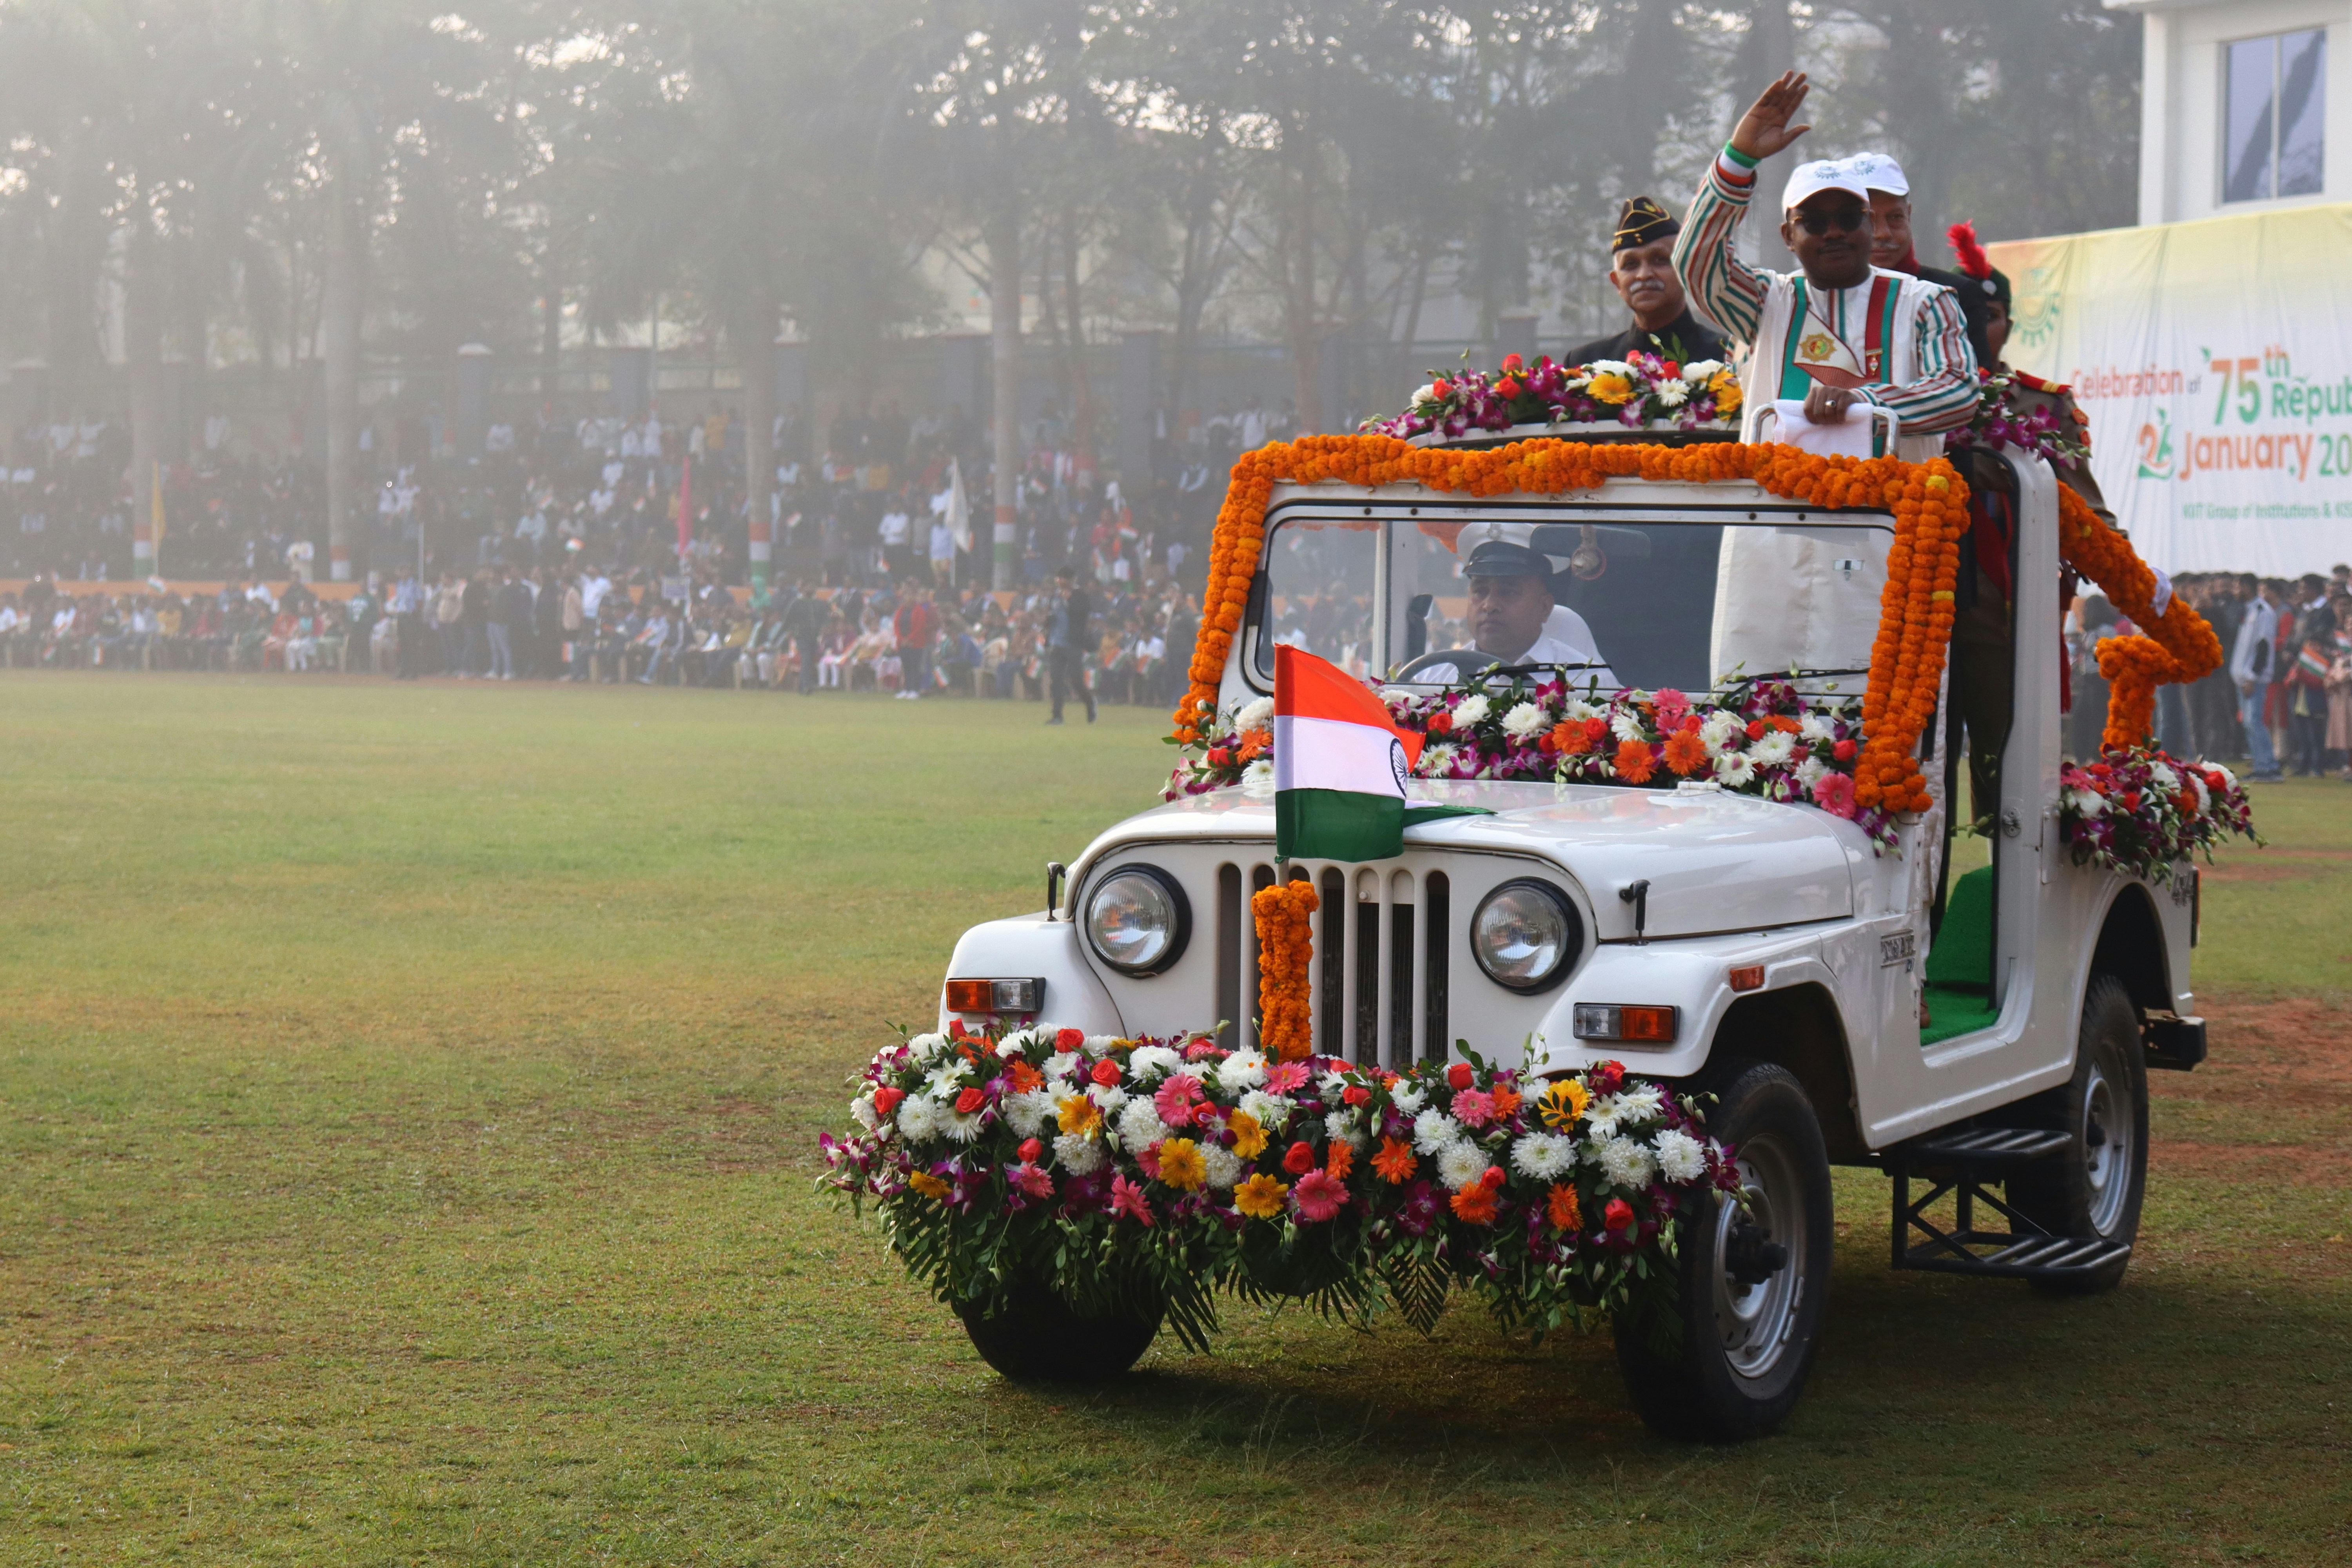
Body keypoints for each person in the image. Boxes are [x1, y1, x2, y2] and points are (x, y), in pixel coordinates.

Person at [1674, 71, 1978, 457]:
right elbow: (1694, 262)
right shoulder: (1764, 302)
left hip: (1896, 516)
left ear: (1869, 223)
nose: (1834, 232)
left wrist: (1865, 403)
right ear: (1788, 236)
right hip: (1774, 514)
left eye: (1849, 218)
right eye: (1814, 222)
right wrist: (1738, 159)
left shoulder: (1926, 302)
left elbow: (1959, 391)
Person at [1941, 220, 2116, 805]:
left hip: (2007, 606)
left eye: (1988, 318)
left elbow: (2087, 508)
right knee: (1915, 768)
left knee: (2007, 766)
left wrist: (2124, 570)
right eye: (1963, 317)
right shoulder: (1910, 395)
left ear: (2007, 325)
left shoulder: (2042, 404)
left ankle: (2004, 886)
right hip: (1919, 602)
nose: (1975, 329)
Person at [1411, 537, 1618, 686]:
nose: (1489, 605)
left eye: (1508, 592)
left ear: (1544, 607)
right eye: (1480, 591)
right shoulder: (1433, 678)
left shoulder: (1588, 682)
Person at [1852, 154, 1995, 370]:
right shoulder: (1821, 299)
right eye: (1867, 220)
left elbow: (1980, 387)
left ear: (1908, 215)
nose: (1882, 233)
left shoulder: (1958, 294)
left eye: (1895, 217)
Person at [1566, 196, 1726, 368]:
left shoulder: (1726, 357)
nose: (1643, 275)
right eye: (1631, 265)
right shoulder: (1586, 365)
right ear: (1617, 283)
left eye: (1660, 260)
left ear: (1686, 270)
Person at [2230, 577, 2282, 780]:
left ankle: (2269, 767)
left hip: (2253, 678)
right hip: (2241, 677)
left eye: (2237, 585)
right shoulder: (2247, 609)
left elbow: (2263, 646)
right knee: (2249, 723)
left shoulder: (2263, 611)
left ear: (2245, 587)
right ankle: (2261, 764)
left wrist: (2252, 676)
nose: (2235, 589)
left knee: (2255, 721)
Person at [1045, 564, 1095, 725]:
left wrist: (1069, 601)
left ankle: (1090, 703)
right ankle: (1057, 715)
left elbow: (1083, 615)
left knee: (1076, 680)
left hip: (1073, 644)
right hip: (1056, 643)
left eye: (1065, 578)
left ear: (1073, 580)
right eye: (1059, 578)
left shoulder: (1080, 596)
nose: (1061, 581)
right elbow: (1052, 616)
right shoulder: (1055, 597)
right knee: (1056, 680)